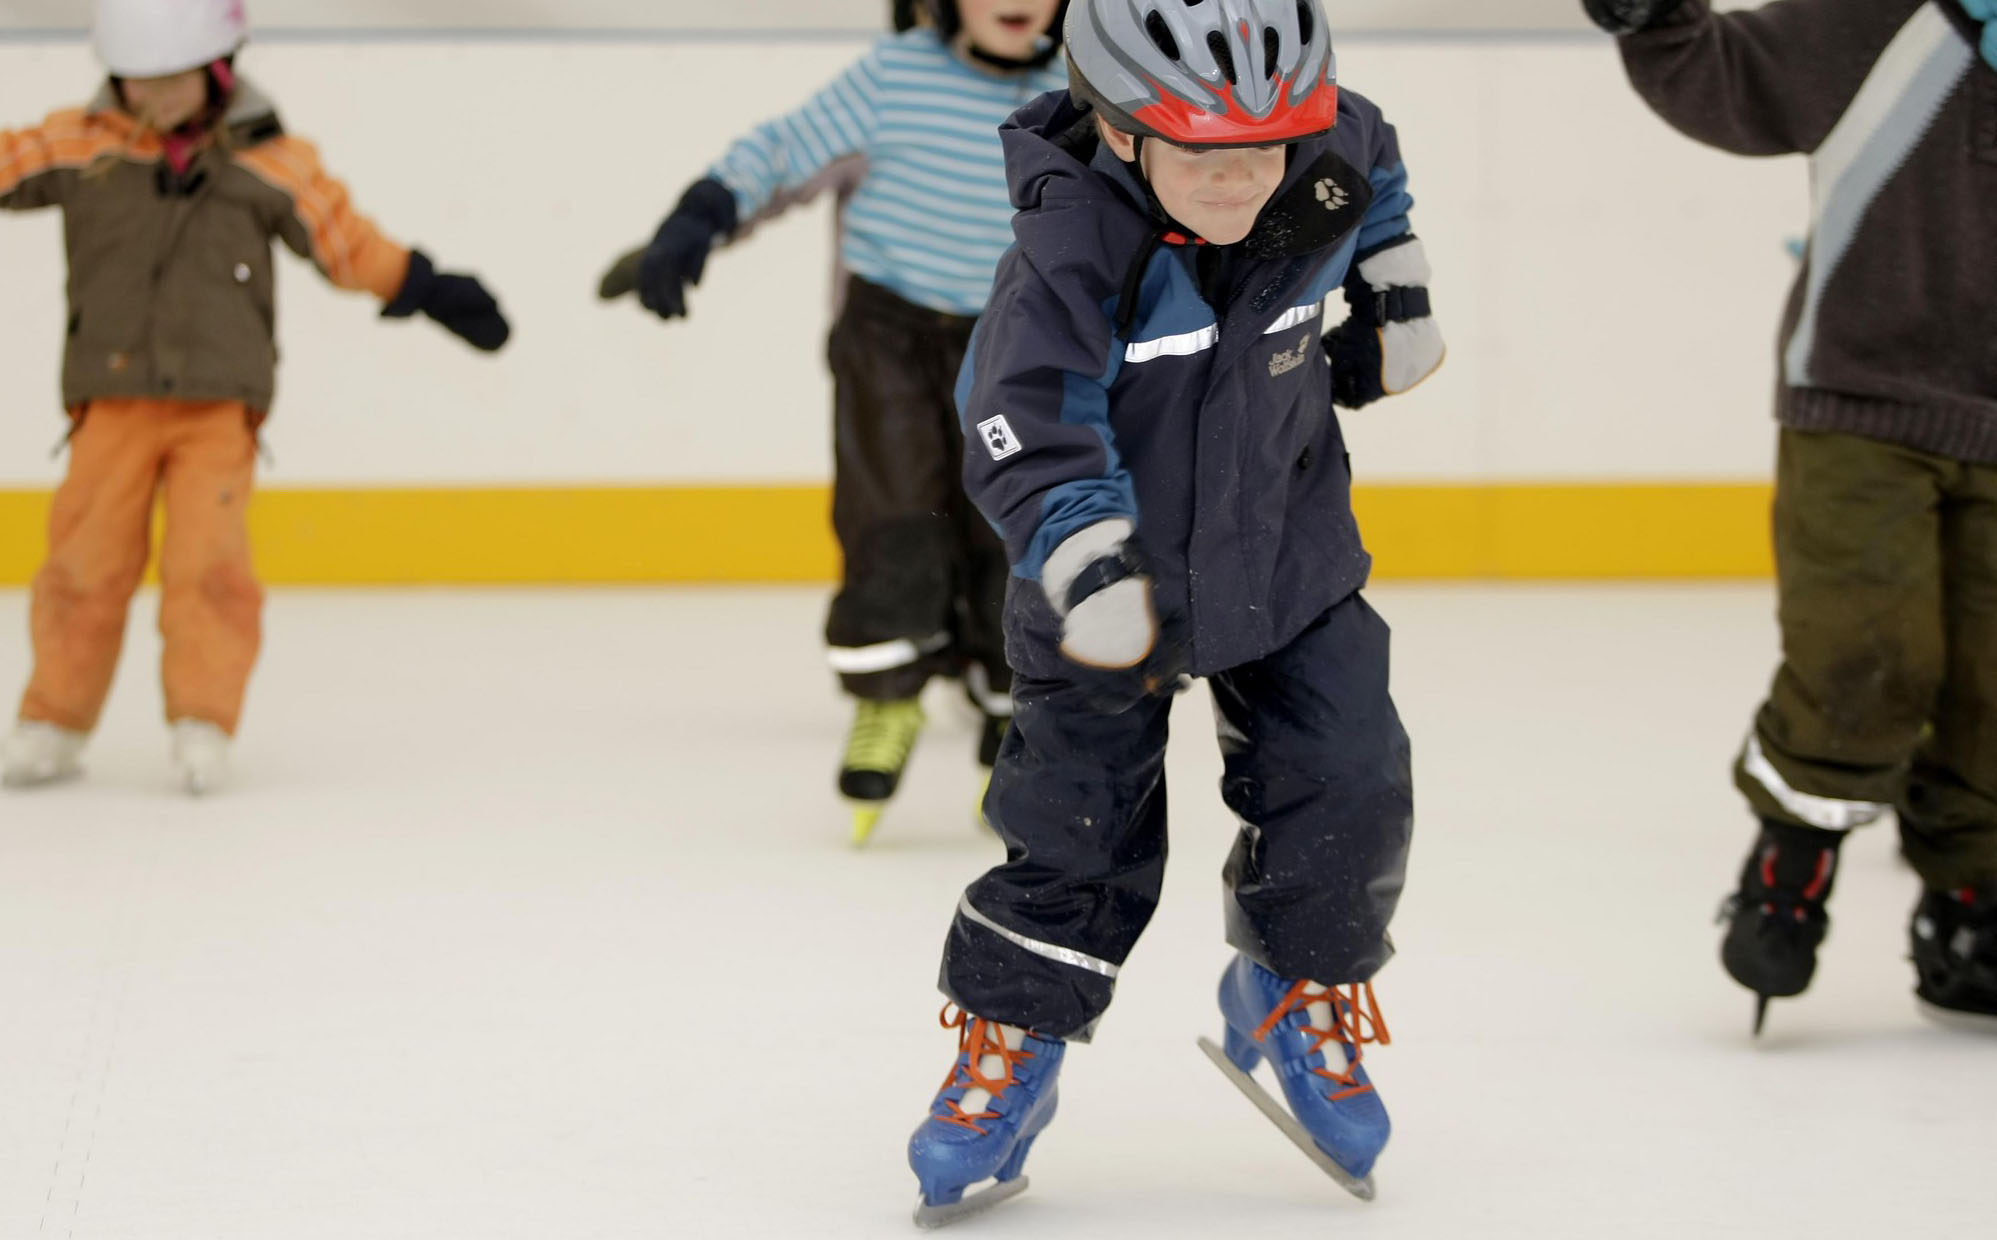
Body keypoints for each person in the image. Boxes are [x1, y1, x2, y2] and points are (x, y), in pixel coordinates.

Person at [905, 0, 1445, 1224]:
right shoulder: (1074, 254)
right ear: (1117, 126)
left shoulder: (1316, 167)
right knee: (1072, 835)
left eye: (1266, 151)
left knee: (1352, 781)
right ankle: (1010, 1050)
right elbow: (1020, 422)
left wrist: (1392, 283)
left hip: (1287, 554)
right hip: (1107, 586)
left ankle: (1290, 984)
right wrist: (1083, 555)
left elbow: (1369, 160)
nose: (1242, 182)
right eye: (1206, 154)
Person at [1587, 0, 1997, 1036]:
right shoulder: (1886, 21)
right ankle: (1793, 850)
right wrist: (1652, 19)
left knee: (1992, 685)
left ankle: (1968, 896)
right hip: (1862, 400)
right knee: (1865, 646)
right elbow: (1725, 75)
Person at [0, 0, 510, 795]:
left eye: (171, 82)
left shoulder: (268, 162)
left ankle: (202, 719)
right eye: (137, 83)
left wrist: (425, 284)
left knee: (208, 565)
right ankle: (54, 721)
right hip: (111, 398)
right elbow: (9, 162)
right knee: (82, 563)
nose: (153, 100)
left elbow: (344, 241)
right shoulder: (83, 144)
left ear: (218, 70)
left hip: (217, 409)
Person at [617, 1, 1074, 845]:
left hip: (1017, 351)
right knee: (892, 516)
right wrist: (700, 221)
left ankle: (1013, 717)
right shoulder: (892, 77)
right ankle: (885, 700)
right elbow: (781, 156)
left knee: (1010, 533)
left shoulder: (1073, 98)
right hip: (888, 342)